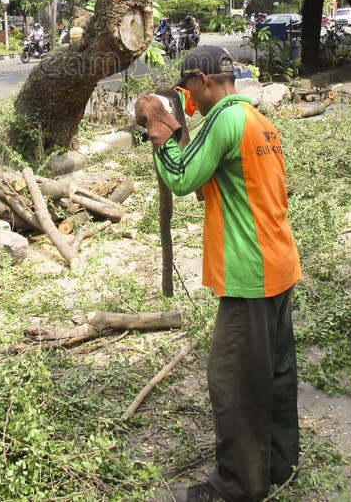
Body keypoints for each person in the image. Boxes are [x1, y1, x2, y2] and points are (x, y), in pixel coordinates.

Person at [135, 47, 302, 502]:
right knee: (276, 371)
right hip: (279, 262)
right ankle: (281, 464)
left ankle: (238, 487)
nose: (188, 100)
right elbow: (217, 181)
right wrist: (175, 131)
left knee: (233, 383)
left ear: (206, 82)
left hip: (250, 273)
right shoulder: (256, 120)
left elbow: (183, 177)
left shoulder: (224, 120)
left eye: (188, 90)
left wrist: (160, 131)